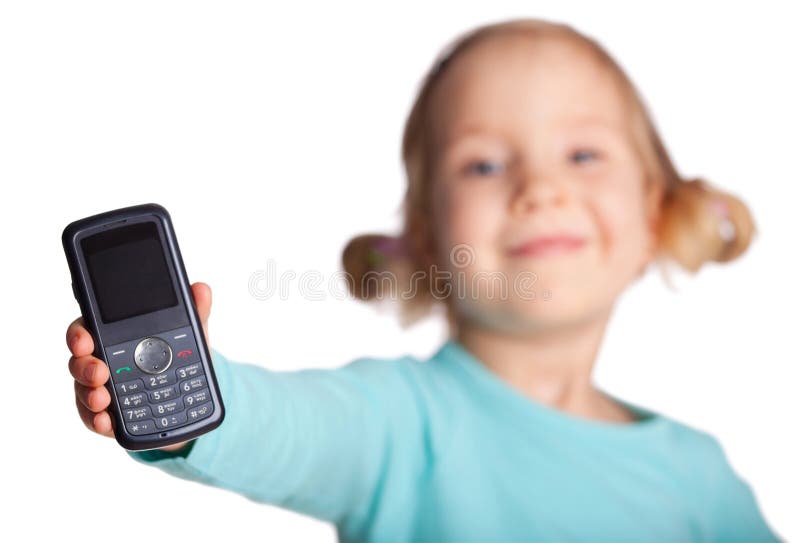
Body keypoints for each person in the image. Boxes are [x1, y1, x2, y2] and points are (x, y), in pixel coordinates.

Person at [65, 18, 781, 542]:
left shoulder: (700, 478)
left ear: (655, 214)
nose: (540, 188)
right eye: (484, 164)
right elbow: (290, 426)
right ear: (429, 239)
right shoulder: (396, 424)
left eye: (583, 154)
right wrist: (194, 390)